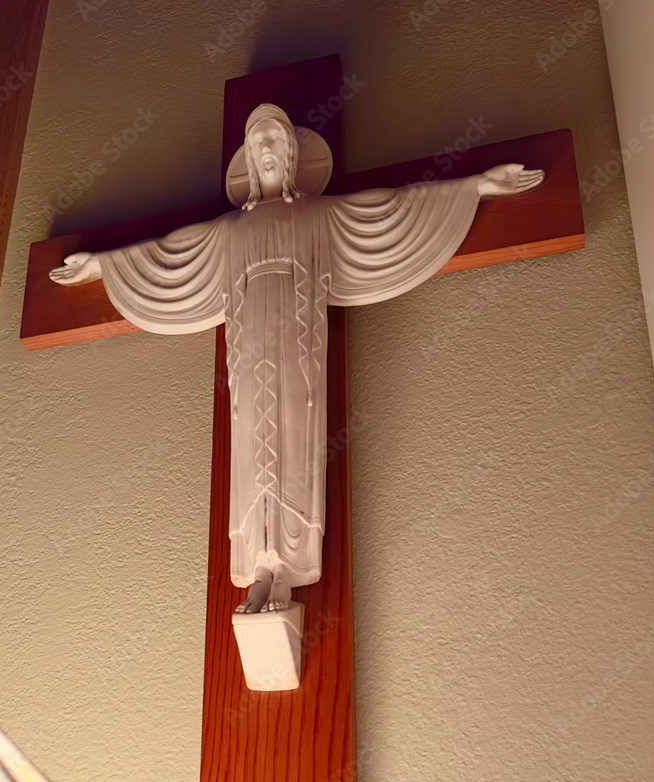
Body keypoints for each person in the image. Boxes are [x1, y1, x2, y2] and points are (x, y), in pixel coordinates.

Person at [50, 103, 543, 614]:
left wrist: (476, 187)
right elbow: (172, 253)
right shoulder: (230, 231)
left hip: (297, 356)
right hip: (246, 357)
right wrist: (104, 266)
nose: (265, 149)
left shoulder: (316, 215)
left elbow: (387, 210)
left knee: (293, 439)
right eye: (257, 141)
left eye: (274, 141)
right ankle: (258, 566)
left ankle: (286, 568)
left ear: (290, 157)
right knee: (250, 449)